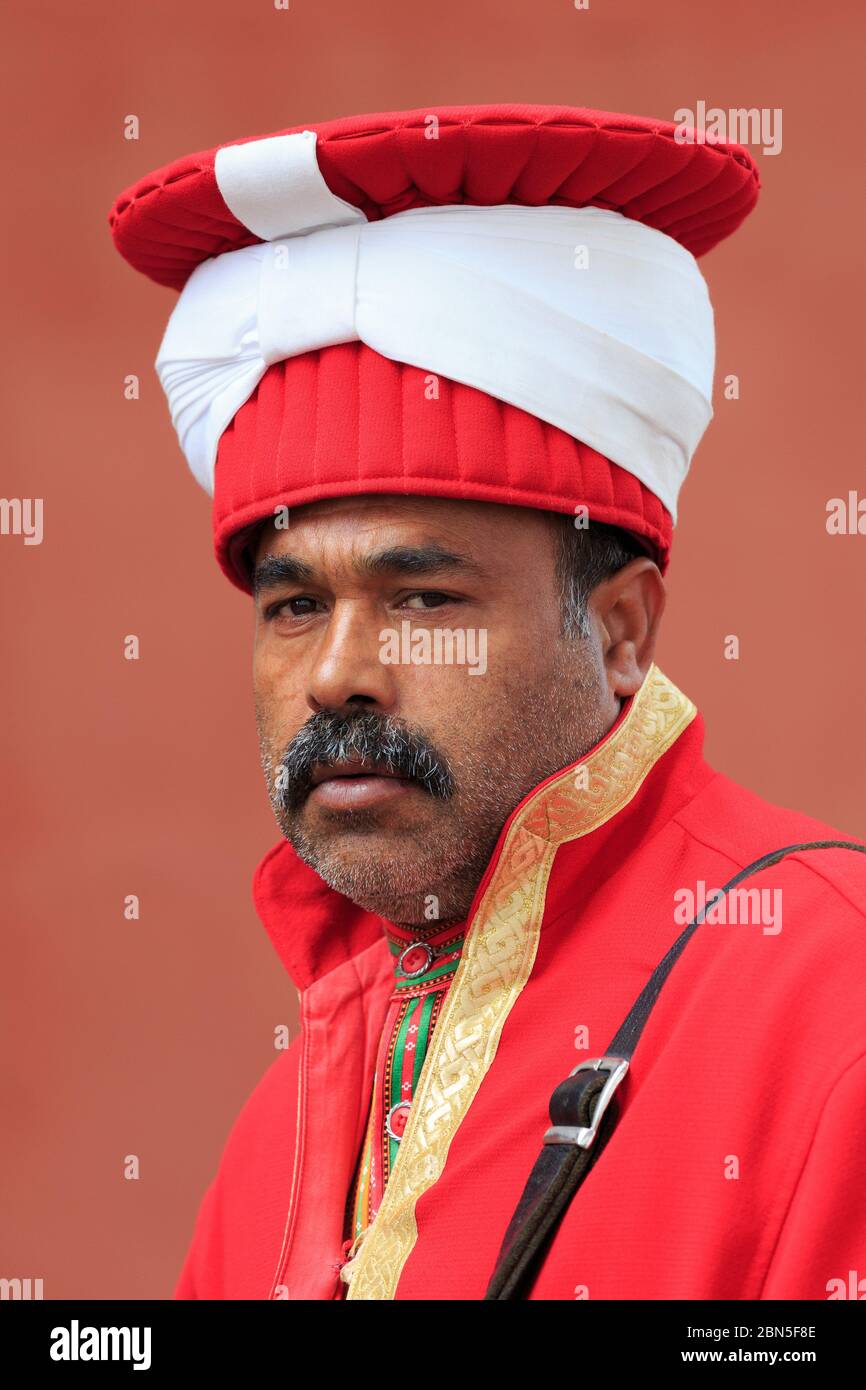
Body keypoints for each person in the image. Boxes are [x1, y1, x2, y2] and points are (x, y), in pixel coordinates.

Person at [108, 103, 866, 1301]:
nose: (333, 672)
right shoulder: (288, 1121)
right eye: (292, 604)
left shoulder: (829, 1009)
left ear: (619, 630)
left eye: (420, 598)